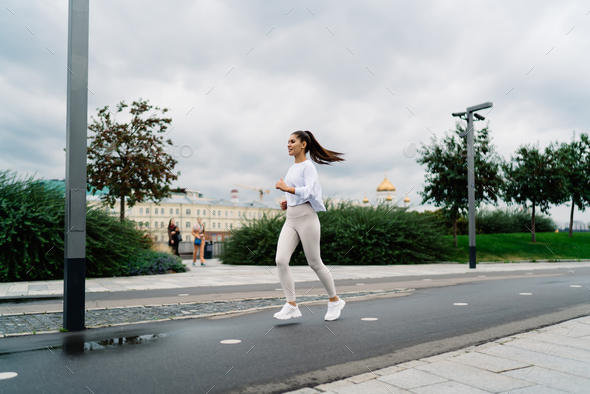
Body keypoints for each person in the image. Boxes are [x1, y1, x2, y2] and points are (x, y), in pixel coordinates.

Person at [274, 130, 346, 321]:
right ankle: (291, 305)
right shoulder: (291, 169)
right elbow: (296, 194)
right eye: (287, 142)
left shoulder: (308, 167)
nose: (288, 145)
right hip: (291, 219)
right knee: (281, 260)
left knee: (315, 263)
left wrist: (286, 188)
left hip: (307, 219)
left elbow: (311, 191)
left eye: (292, 141)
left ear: (303, 144)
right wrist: (287, 202)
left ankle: (334, 300)